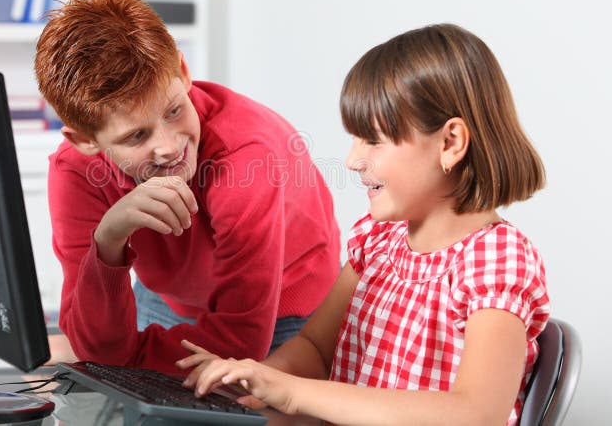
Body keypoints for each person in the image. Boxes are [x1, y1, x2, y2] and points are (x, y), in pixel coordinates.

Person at [178, 24, 550, 425]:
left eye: (372, 140)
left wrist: (293, 394)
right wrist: (251, 382)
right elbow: (316, 352)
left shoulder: (497, 262)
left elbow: (475, 414)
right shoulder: (376, 243)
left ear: (450, 143)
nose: (353, 160)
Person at [33, 0, 341, 375]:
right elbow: (95, 345)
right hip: (171, 295)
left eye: (175, 110)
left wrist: (126, 358)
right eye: (136, 136)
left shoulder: (247, 159)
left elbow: (239, 340)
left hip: (282, 308)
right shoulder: (75, 170)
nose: (168, 147)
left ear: (183, 71)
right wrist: (108, 239)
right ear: (85, 141)